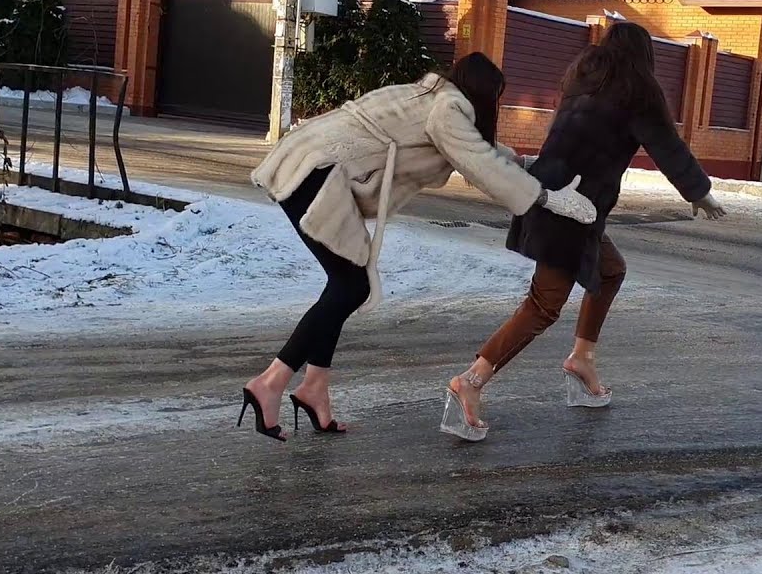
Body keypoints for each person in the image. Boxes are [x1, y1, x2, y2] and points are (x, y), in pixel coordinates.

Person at [241, 53, 597, 441]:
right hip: (316, 173)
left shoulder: (431, 97)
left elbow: (478, 151)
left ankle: (314, 387)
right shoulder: (448, 110)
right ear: (485, 96)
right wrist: (546, 198)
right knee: (349, 286)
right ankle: (271, 382)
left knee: (345, 284)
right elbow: (481, 164)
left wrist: (528, 165)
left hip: (308, 162)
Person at [440, 22, 726, 442]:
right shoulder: (637, 91)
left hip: (552, 195)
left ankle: (582, 358)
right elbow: (667, 145)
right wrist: (699, 193)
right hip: (571, 210)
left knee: (610, 270)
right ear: (644, 57)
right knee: (543, 305)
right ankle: (471, 380)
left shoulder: (582, 82)